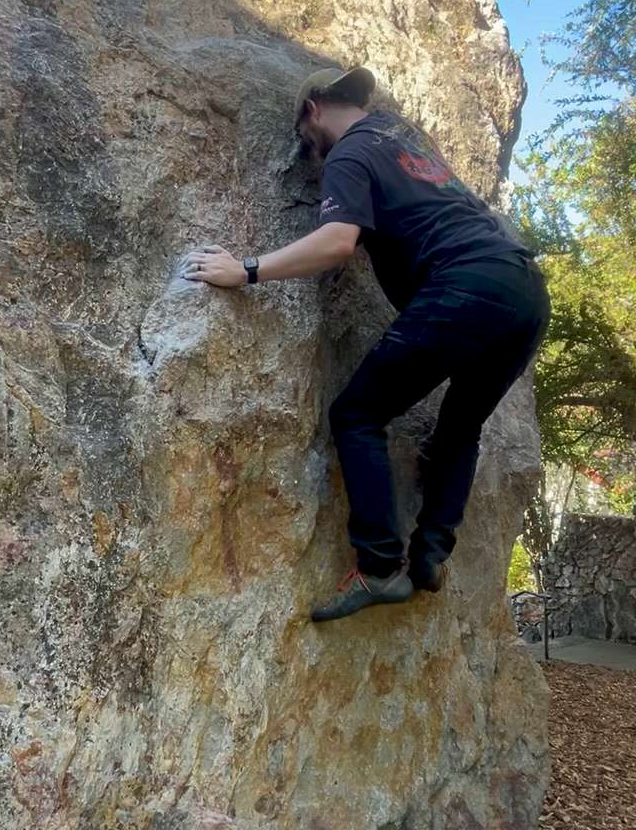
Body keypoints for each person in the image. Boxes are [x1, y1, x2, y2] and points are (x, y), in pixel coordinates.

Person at [183, 66, 551, 622]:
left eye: (305, 140)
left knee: (357, 413)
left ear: (312, 110)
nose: (309, 152)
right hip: (524, 292)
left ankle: (381, 566)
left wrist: (247, 270)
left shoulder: (350, 153)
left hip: (467, 284)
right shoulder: (406, 142)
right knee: (458, 429)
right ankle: (430, 555)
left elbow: (336, 242)